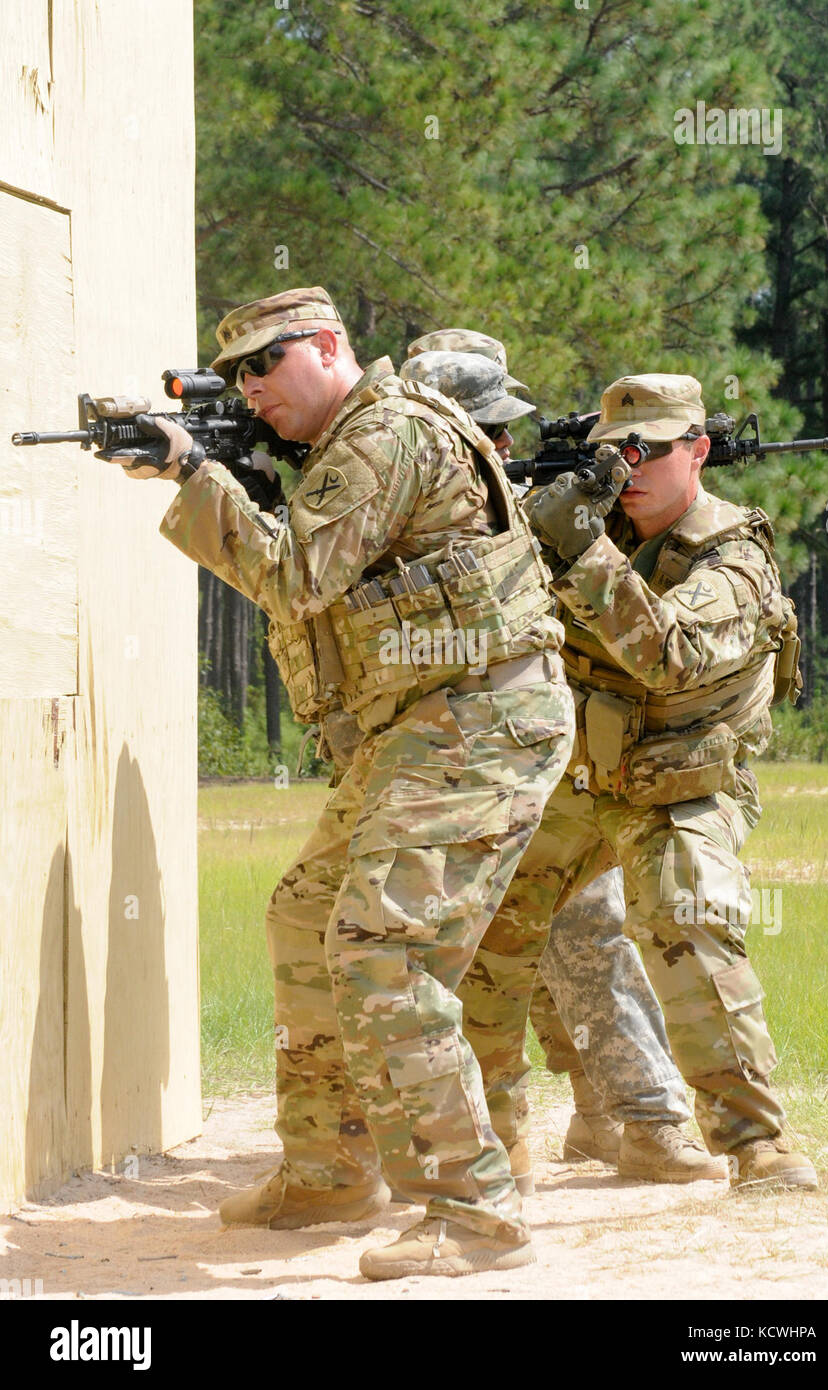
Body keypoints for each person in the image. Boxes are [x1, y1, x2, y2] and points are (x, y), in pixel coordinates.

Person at [106, 286, 576, 1280]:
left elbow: (292, 579)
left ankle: (473, 1208)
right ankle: (328, 1166)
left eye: (267, 363)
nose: (253, 386)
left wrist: (193, 469)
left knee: (384, 950)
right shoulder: (357, 442)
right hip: (425, 721)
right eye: (236, 373)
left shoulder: (380, 437)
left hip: (480, 715)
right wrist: (201, 466)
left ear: (327, 346)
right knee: (303, 913)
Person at [466, 372, 817, 1191]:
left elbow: (672, 655)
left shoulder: (733, 551)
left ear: (696, 451)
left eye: (650, 450)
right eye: (616, 454)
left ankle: (756, 1143)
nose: (632, 468)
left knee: (685, 915)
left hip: (684, 781)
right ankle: (490, 1142)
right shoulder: (592, 527)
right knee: (490, 917)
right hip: (585, 776)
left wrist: (578, 551)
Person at [401, 342, 718, 1184]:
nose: (502, 451)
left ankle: (639, 1115)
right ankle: (532, 1124)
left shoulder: (537, 504)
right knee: (494, 951)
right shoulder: (398, 502)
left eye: (507, 433)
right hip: (439, 758)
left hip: (546, 754)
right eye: (488, 432)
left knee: (586, 929)